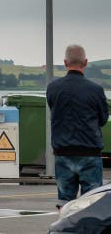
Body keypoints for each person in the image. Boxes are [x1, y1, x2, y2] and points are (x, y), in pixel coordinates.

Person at [46, 44, 109, 207]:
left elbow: (54, 111)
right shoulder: (96, 90)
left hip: (63, 152)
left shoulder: (53, 88)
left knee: (65, 204)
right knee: (92, 204)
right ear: (85, 62)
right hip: (89, 152)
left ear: (65, 63)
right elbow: (102, 119)